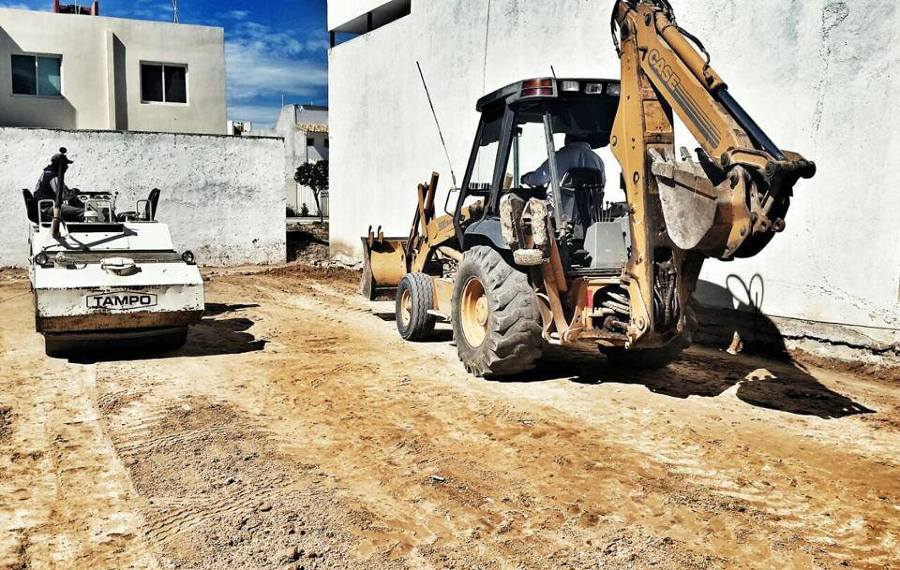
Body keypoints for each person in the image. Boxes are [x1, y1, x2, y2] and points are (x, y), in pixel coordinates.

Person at [521, 133, 606, 190]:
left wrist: (526, 179)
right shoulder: (598, 160)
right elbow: (602, 185)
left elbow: (539, 178)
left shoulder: (560, 156)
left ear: (569, 137)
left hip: (561, 209)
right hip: (591, 210)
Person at [34, 149, 84, 223]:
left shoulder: (47, 172)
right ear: (59, 165)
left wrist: (72, 195)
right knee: (84, 213)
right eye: (65, 164)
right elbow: (63, 195)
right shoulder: (54, 176)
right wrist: (74, 192)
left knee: (75, 205)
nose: (67, 167)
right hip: (49, 208)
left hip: (45, 206)